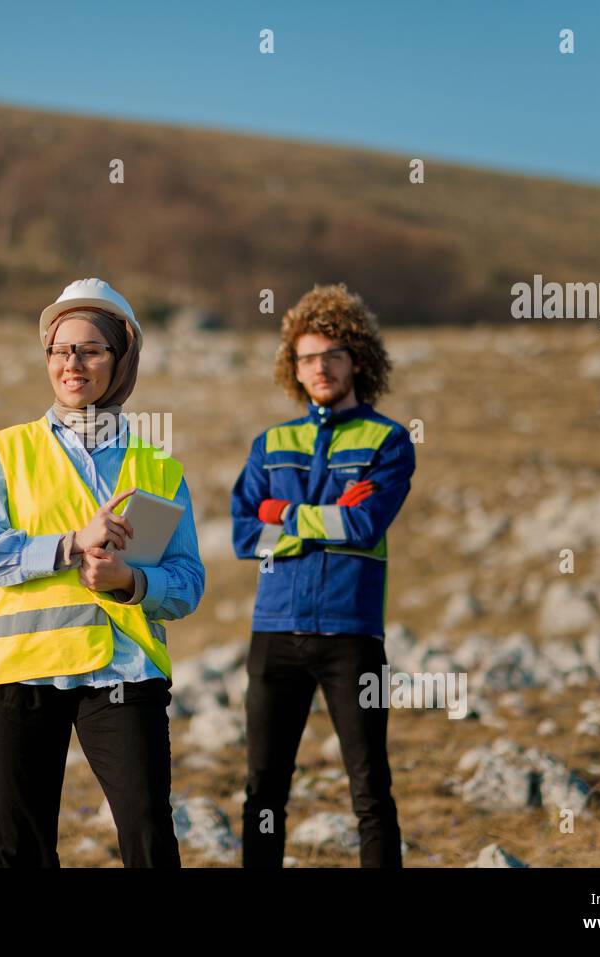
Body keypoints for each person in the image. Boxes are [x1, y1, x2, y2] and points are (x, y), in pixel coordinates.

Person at [0, 277, 205, 867]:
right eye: (60, 350)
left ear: (120, 359)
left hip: (124, 671)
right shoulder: (6, 450)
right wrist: (68, 544)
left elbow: (188, 581)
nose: (73, 363)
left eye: (90, 349)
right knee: (20, 849)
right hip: (22, 671)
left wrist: (131, 583)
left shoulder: (158, 466)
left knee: (148, 833)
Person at [231, 283, 414, 868]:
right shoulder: (270, 444)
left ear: (356, 359)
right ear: (294, 367)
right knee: (263, 788)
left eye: (331, 354)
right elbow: (241, 535)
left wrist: (283, 515)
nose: (319, 367)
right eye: (307, 357)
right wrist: (326, 517)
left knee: (369, 787)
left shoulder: (388, 440)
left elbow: (364, 527)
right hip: (274, 631)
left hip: (351, 634)